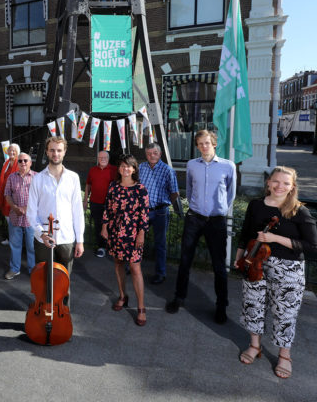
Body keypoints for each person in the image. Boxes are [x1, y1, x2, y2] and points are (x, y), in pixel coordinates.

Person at [235, 167, 317, 379]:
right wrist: (239, 256)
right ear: (269, 182)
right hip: (255, 261)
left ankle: (284, 356)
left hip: (288, 268)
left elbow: (312, 245)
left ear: (292, 187)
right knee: (253, 305)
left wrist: (275, 239)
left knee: (285, 313)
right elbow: (246, 233)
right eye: (276, 181)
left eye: (286, 183)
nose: (280, 186)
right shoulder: (256, 205)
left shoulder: (299, 211)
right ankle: (255, 346)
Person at [166, 130, 236, 324]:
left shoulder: (228, 166)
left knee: (219, 265)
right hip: (194, 218)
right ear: (197, 146)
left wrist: (219, 210)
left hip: (216, 221)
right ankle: (179, 297)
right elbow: (189, 189)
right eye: (200, 144)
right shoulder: (191, 165)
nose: (204, 146)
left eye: (207, 143)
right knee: (185, 260)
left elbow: (231, 193)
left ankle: (221, 305)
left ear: (214, 144)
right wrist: (195, 206)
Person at [26, 137, 85, 295]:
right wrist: (42, 233)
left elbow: (78, 211)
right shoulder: (38, 179)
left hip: (66, 238)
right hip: (43, 240)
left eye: (59, 150)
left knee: (64, 285)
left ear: (64, 152)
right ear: (47, 152)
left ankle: (63, 311)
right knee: (44, 282)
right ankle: (43, 310)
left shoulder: (73, 178)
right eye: (52, 150)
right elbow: (31, 213)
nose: (55, 154)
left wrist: (80, 240)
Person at [101, 154, 150, 326]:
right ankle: (123, 296)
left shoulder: (141, 189)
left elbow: (144, 214)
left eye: (128, 166)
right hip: (115, 231)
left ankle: (141, 307)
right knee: (118, 263)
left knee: (135, 268)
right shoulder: (113, 186)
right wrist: (104, 227)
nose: (125, 169)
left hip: (133, 234)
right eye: (122, 166)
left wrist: (141, 233)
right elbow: (107, 208)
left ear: (134, 169)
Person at [138, 143, 180, 285]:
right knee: (137, 239)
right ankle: (133, 266)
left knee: (160, 244)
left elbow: (174, 192)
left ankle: (160, 273)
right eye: (149, 153)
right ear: (146, 155)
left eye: (155, 153)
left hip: (160, 212)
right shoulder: (141, 167)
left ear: (160, 154)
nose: (152, 156)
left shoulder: (168, 170)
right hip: (143, 211)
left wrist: (165, 204)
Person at [2, 152, 36, 279]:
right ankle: (14, 269)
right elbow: (7, 194)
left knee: (31, 246)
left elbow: (40, 198)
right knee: (15, 245)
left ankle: (33, 270)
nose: (23, 163)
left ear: (30, 163)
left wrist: (26, 209)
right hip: (15, 216)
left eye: (25, 160)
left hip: (31, 219)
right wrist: (15, 207)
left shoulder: (37, 177)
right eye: (20, 161)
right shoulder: (11, 177)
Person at [83, 150, 118, 258]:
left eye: (105, 157)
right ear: (97, 159)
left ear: (108, 159)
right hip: (95, 203)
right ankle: (101, 247)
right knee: (98, 226)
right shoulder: (93, 170)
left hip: (111, 204)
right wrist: (85, 200)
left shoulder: (115, 170)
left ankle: (112, 247)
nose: (103, 159)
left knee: (112, 226)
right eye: (100, 157)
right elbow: (88, 185)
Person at [0, 143, 20, 217]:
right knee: (7, 217)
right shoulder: (6, 163)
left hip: (15, 195)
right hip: (5, 193)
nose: (11, 152)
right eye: (10, 150)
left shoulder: (20, 163)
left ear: (17, 152)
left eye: (14, 151)